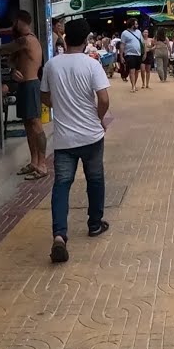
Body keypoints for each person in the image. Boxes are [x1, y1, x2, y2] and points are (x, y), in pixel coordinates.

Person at [41, 19, 111, 263]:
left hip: (64, 140)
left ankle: (59, 236)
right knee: (95, 179)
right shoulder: (91, 65)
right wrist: (98, 118)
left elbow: (44, 96)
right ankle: (94, 223)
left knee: (61, 184)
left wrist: (58, 105)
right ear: (85, 39)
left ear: (65, 37)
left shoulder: (51, 65)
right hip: (91, 136)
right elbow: (103, 99)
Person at [2, 10, 47, 180]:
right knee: (28, 125)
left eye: (14, 22)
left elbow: (3, 49)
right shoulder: (21, 42)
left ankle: (42, 164)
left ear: (20, 22)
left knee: (36, 124)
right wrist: (13, 70)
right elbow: (10, 60)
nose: (12, 25)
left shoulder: (26, 39)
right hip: (23, 85)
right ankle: (34, 162)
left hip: (31, 84)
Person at [119, 19, 144, 93]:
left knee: (137, 71)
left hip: (138, 54)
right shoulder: (125, 33)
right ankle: (133, 86)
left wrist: (144, 52)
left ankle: (134, 84)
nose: (137, 25)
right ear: (131, 25)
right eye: (136, 24)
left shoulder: (139, 32)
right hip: (129, 54)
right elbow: (122, 45)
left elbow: (142, 43)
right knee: (132, 70)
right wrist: (121, 55)